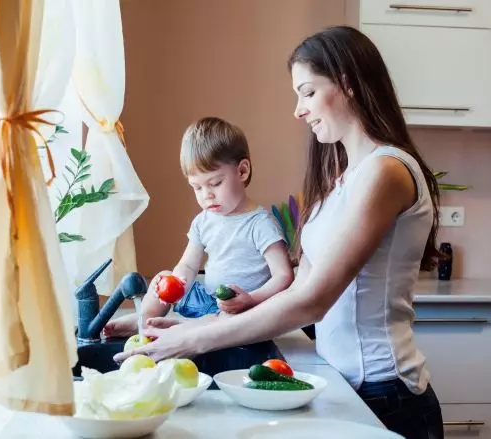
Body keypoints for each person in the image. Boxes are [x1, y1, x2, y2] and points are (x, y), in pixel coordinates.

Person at [114, 26, 445, 439]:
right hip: (349, 385)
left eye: (307, 92)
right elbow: (296, 289)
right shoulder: (343, 181)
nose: (298, 110)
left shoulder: (386, 171)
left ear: (348, 84)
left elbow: (313, 300)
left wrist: (197, 342)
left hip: (389, 393)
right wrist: (190, 328)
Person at [103, 116, 294, 337]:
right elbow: (188, 266)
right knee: (164, 276)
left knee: (228, 322)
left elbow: (283, 275)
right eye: (197, 187)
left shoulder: (260, 223)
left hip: (245, 309)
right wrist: (175, 283)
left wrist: (251, 299)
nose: (207, 195)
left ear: (242, 171)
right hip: (206, 300)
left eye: (215, 183)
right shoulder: (204, 221)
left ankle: (181, 329)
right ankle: (144, 321)